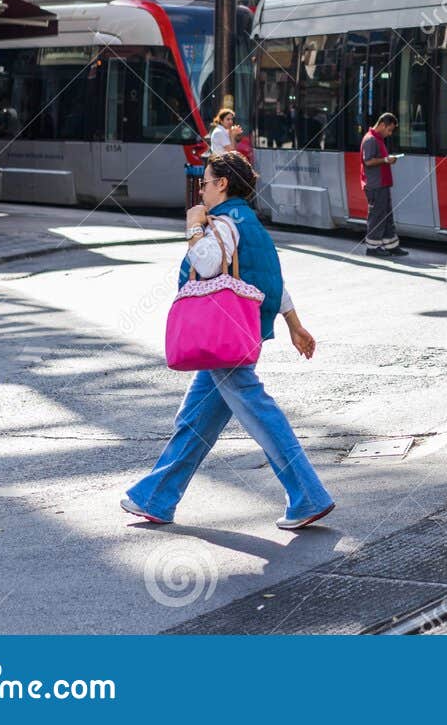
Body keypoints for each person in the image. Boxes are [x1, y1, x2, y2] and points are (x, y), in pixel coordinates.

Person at [123, 151, 335, 530]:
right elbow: (272, 278)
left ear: (222, 184)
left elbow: (205, 265)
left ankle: (308, 495)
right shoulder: (251, 222)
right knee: (195, 420)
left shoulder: (222, 223)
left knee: (260, 414)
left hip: (223, 336)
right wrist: (293, 323)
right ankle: (155, 498)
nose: (201, 189)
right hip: (238, 331)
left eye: (204, 182)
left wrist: (193, 226)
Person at [359, 112, 406, 256]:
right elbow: (368, 161)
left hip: (382, 183)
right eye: (389, 129)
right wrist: (386, 160)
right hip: (375, 184)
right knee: (377, 216)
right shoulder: (370, 140)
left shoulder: (378, 139)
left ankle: (391, 245)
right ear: (382, 125)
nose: (390, 133)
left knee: (386, 216)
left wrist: (387, 159)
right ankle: (372, 248)